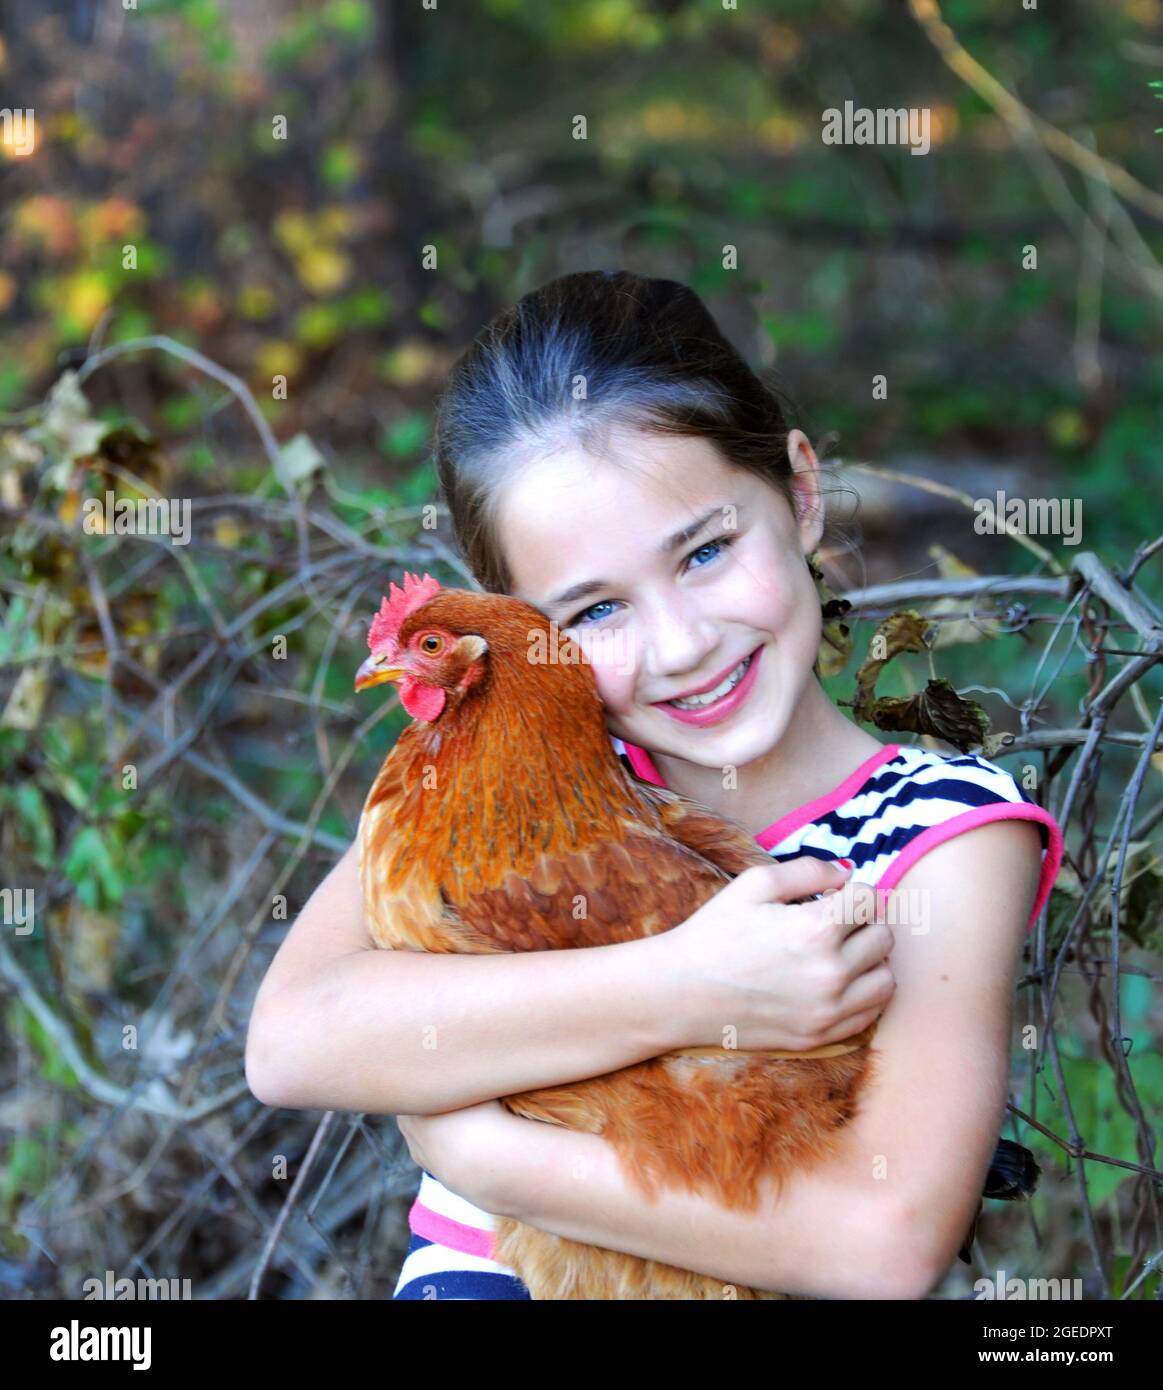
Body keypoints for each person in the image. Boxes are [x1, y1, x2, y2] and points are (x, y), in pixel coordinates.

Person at [245, 270, 1063, 1300]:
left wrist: (487, 1160)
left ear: (800, 492)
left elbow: (882, 1242)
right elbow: (290, 1040)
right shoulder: (507, 779)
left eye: (706, 550)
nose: (679, 646)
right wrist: (691, 984)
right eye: (592, 612)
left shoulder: (940, 833)